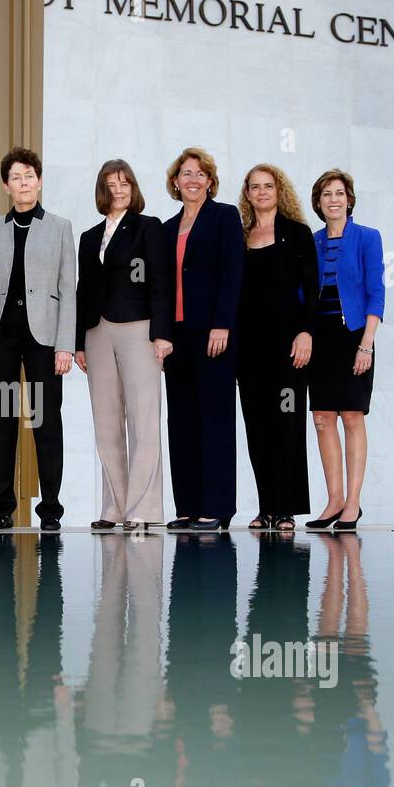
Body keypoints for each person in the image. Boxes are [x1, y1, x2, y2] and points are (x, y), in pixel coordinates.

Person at [75, 158, 174, 531]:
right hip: (97, 331)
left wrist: (162, 333)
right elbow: (83, 291)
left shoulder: (149, 228)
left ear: (133, 187)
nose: (118, 190)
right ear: (102, 189)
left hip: (139, 328)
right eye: (111, 184)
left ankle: (143, 508)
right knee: (106, 422)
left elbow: (161, 281)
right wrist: (78, 342)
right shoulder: (89, 237)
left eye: (124, 183)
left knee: (143, 418)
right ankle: (114, 507)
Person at [0, 146, 76, 533]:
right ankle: (2, 507)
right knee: (2, 420)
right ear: (6, 186)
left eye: (29, 176)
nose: (23, 183)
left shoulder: (60, 227)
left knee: (46, 421)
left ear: (39, 181)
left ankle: (51, 509)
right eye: (16, 177)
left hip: (43, 338)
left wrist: (65, 345)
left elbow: (68, 290)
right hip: (2, 337)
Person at [160, 147, 245, 532]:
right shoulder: (166, 228)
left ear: (210, 181)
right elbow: (162, 288)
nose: (192, 180)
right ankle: (188, 507)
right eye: (186, 174)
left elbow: (232, 272)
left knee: (215, 420)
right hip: (177, 337)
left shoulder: (224, 216)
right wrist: (161, 335)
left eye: (200, 174)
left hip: (213, 334)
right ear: (175, 182)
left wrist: (223, 324)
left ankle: (216, 507)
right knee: (181, 422)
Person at [236, 163, 318, 532]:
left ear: (279, 190)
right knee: (257, 427)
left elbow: (312, 289)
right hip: (249, 347)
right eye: (255, 187)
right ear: (247, 194)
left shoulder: (297, 234)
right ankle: (266, 507)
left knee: (287, 423)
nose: (262, 192)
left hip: (288, 347)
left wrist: (306, 332)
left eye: (268, 186)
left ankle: (286, 509)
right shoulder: (240, 237)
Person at [306, 168, 384, 533]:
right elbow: (303, 292)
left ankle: (353, 503)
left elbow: (375, 292)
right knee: (322, 417)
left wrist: (366, 344)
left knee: (352, 416)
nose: (333, 200)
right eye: (326, 194)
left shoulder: (367, 238)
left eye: (339, 193)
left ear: (349, 199)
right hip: (320, 338)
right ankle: (334, 500)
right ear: (318, 202)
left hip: (353, 336)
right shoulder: (313, 242)